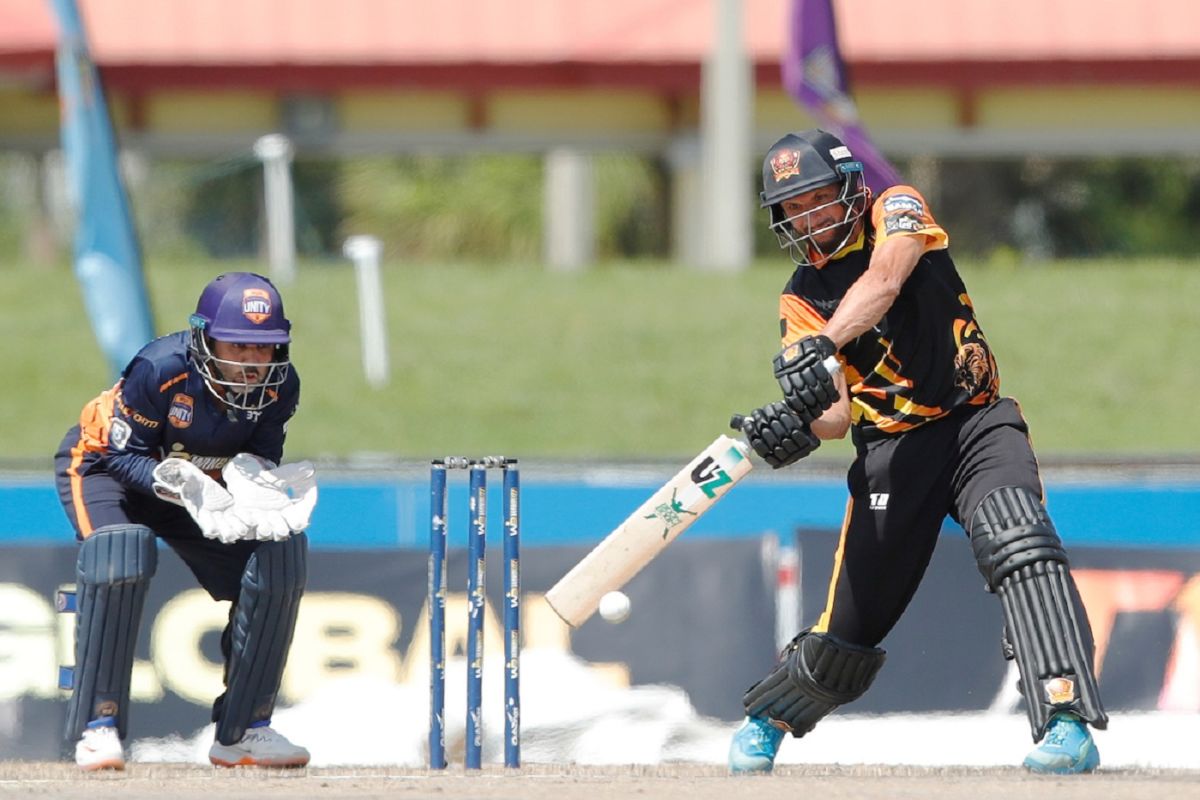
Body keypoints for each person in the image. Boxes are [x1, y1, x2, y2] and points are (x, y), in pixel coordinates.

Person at [727, 130, 1107, 775]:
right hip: (892, 457)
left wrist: (823, 345)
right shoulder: (799, 299)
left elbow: (885, 278)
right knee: (851, 628)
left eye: (819, 198)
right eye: (794, 207)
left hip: (975, 424)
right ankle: (768, 718)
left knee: (1021, 542)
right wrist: (791, 420)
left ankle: (1065, 720)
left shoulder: (895, 208)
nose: (810, 216)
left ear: (848, 188)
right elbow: (834, 418)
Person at [54, 272, 317, 771]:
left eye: (264, 347)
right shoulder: (161, 369)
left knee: (277, 559)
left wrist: (260, 492)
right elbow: (120, 454)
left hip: (200, 489)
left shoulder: (281, 386)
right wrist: (178, 484)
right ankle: (98, 726)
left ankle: (244, 730)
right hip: (105, 469)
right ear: (204, 339)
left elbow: (258, 458)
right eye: (238, 346)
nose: (252, 362)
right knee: (120, 555)